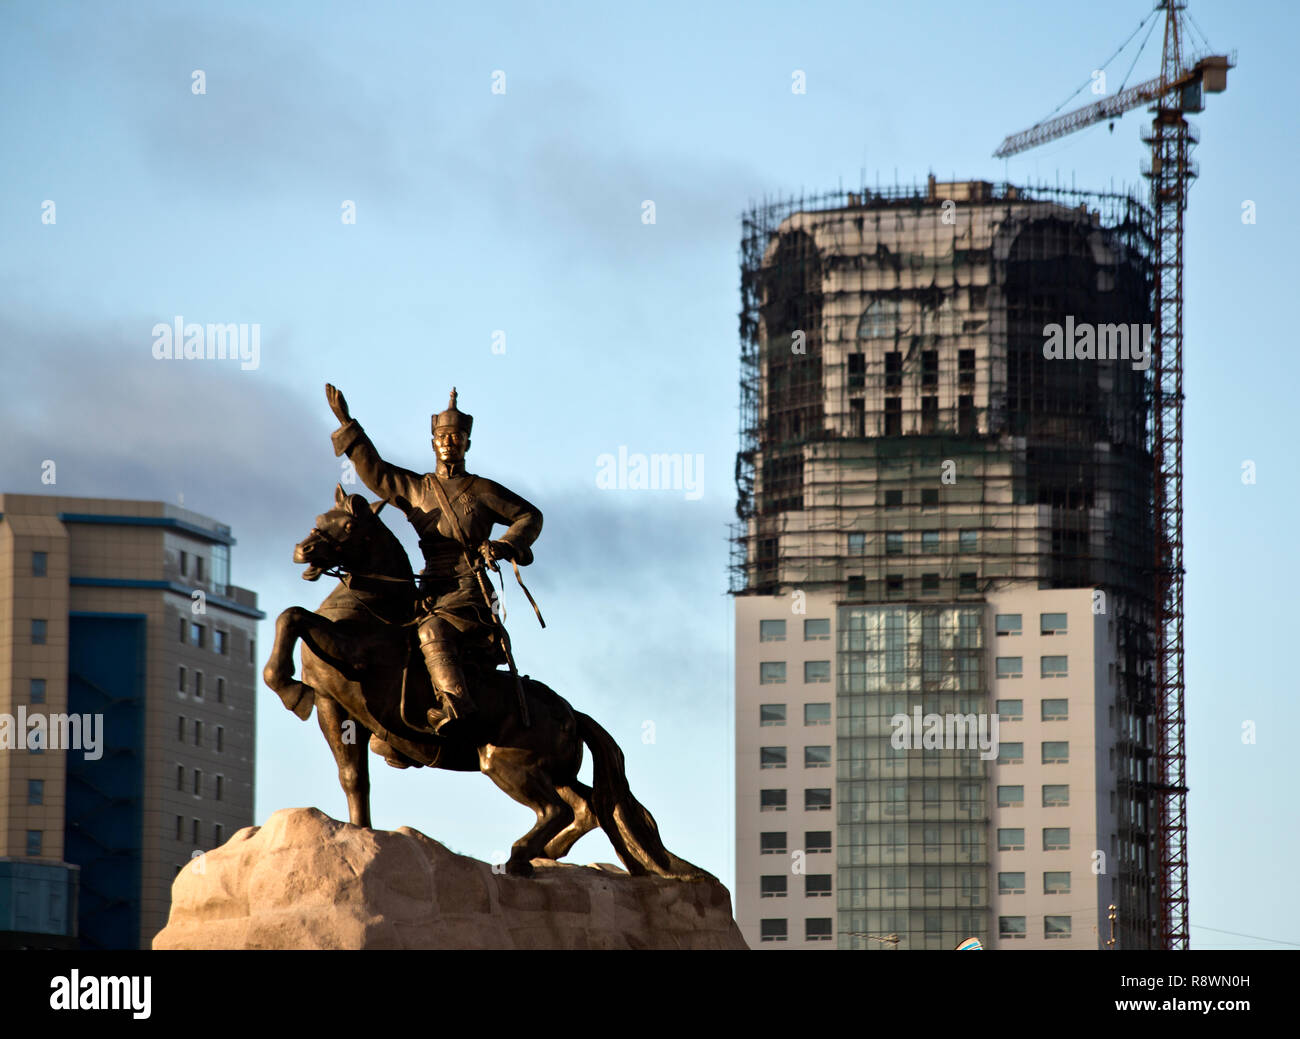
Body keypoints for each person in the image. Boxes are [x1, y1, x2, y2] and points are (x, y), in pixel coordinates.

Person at [325, 383, 542, 736]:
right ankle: (397, 734)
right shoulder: (417, 488)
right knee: (390, 636)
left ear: (467, 443)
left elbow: (530, 516)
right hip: (429, 590)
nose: (449, 443)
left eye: (457, 437)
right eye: (443, 437)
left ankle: (456, 703)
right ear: (433, 443)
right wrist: (346, 422)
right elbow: (376, 472)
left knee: (432, 629)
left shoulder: (483, 490)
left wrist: (504, 545)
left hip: (468, 595)